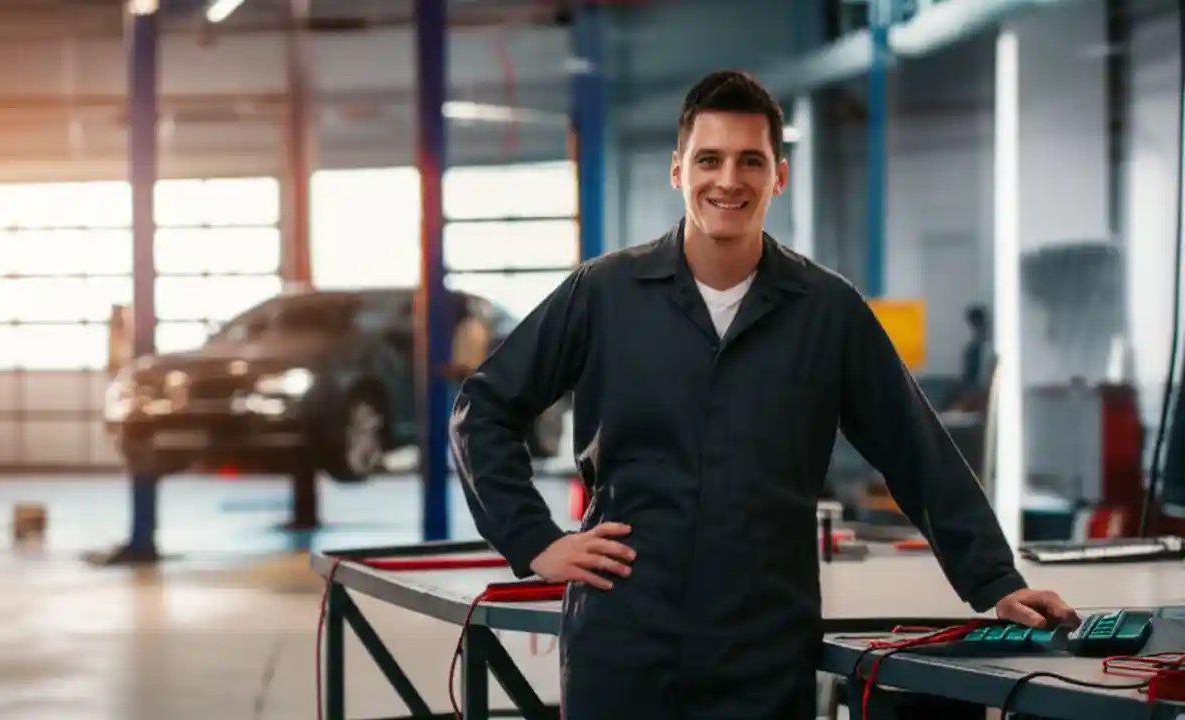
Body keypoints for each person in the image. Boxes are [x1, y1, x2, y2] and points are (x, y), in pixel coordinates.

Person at [449, 69, 1078, 719]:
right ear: (677, 170)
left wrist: (996, 581)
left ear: (778, 175)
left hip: (762, 653)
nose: (728, 180)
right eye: (709, 159)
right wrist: (534, 539)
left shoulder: (826, 311)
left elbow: (915, 449)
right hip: (623, 642)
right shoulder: (604, 294)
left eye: (750, 160)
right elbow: (483, 410)